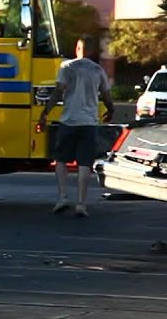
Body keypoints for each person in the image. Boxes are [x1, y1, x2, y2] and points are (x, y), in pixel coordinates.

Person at [36, 35, 115, 218]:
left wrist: (45, 113)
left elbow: (58, 92)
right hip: (89, 123)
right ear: (92, 51)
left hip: (69, 121)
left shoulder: (67, 67)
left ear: (77, 48)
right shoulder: (98, 70)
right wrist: (110, 110)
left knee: (61, 159)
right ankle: (81, 203)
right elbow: (106, 95)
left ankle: (63, 196)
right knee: (85, 164)